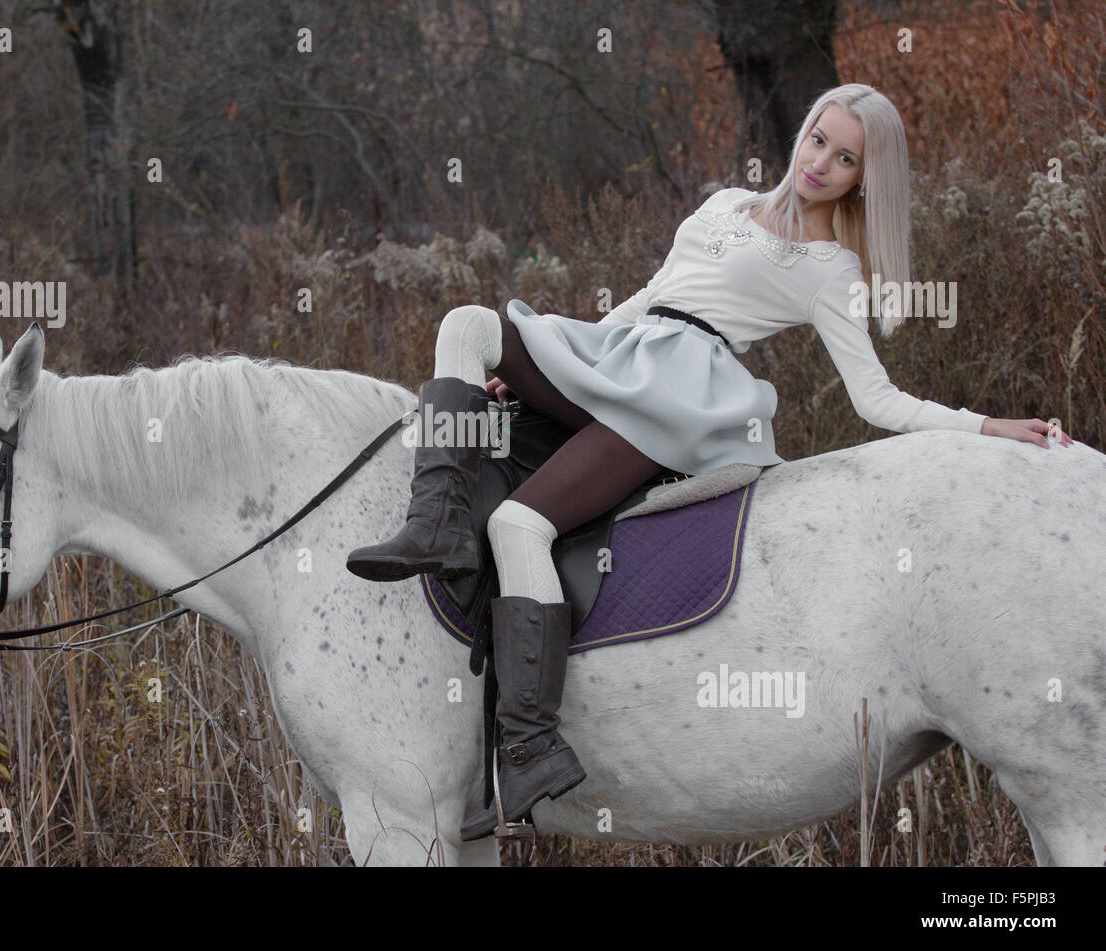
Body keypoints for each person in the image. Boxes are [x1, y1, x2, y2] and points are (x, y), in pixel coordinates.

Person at [345, 82, 1075, 842]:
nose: (821, 162)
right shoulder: (726, 202)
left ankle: (529, 743)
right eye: (818, 139)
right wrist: (552, 359)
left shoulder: (830, 268)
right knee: (468, 326)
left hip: (680, 398)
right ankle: (432, 525)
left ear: (866, 177)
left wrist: (984, 426)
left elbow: (876, 398)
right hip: (622, 354)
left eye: (846, 157)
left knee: (521, 523)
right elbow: (652, 296)